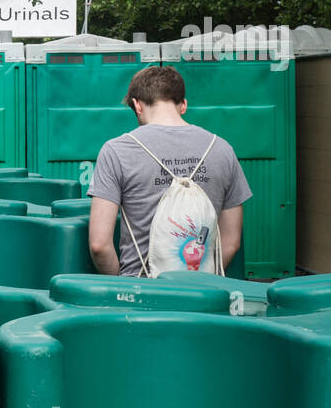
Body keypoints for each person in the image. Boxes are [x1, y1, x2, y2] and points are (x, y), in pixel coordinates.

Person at [87, 64, 251, 277]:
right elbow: (231, 242)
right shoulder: (222, 149)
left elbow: (99, 245)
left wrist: (125, 287)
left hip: (142, 294)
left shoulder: (116, 151)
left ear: (137, 105)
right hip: (204, 294)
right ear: (183, 105)